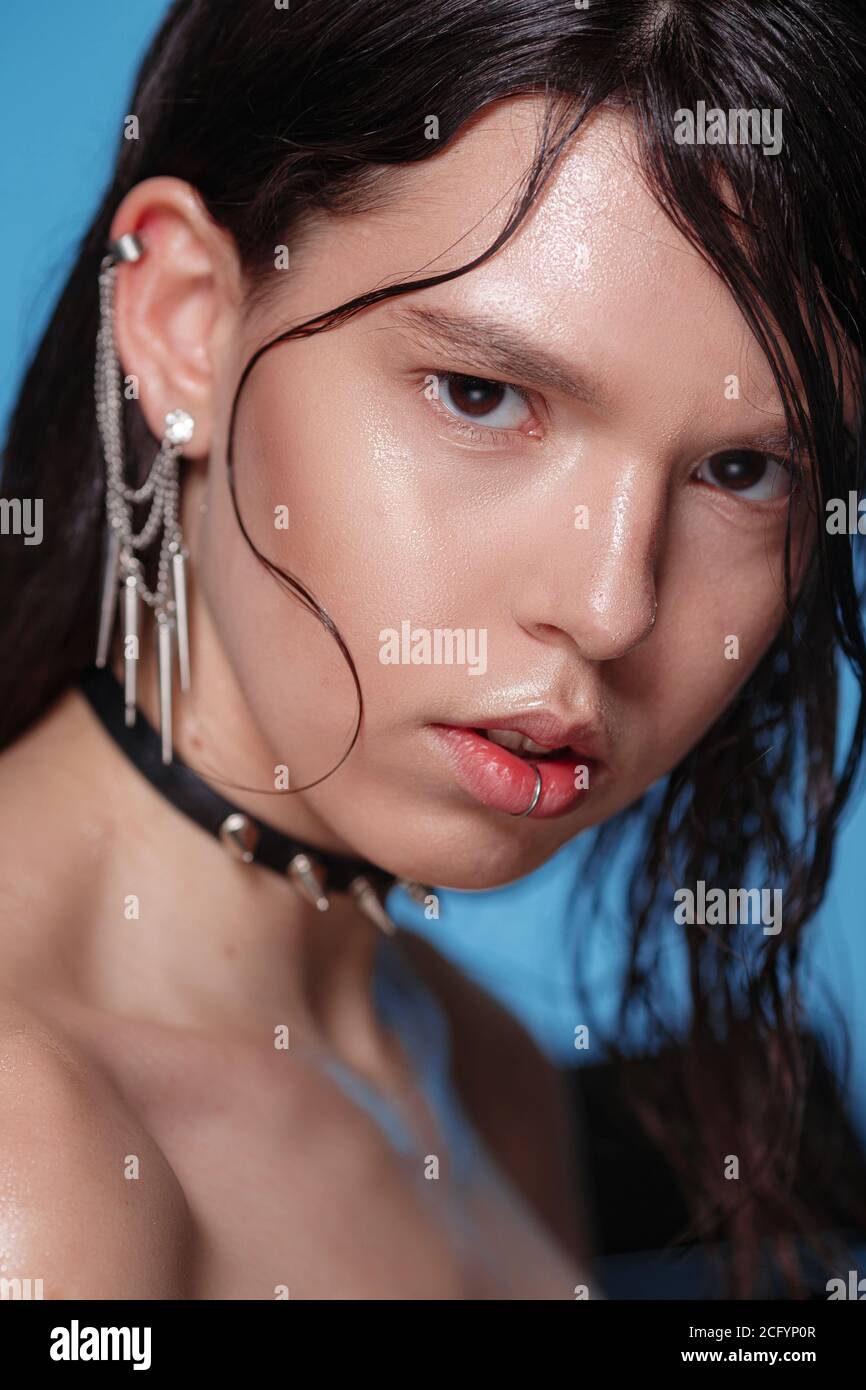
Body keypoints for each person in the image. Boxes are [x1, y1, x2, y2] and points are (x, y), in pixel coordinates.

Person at [0, 0, 864, 1299]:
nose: (610, 604)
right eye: (482, 395)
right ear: (184, 322)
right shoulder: (38, 1165)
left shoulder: (479, 1065)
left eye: (742, 470)